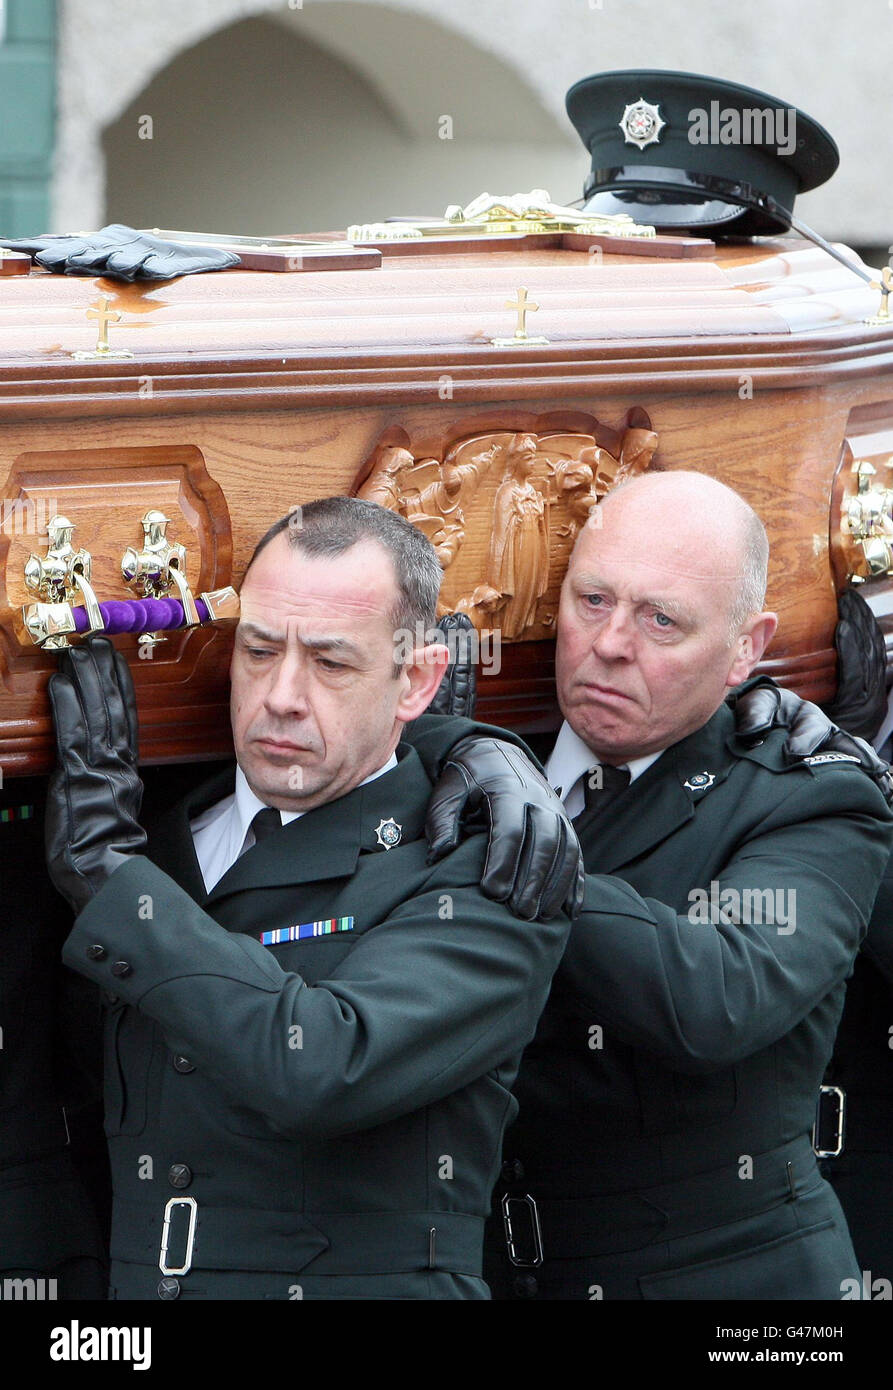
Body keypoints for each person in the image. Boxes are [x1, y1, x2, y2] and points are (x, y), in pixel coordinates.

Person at [45, 497, 573, 1300]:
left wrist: (115, 883)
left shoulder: (487, 866)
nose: (281, 695)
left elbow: (325, 1065)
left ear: (418, 678)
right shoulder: (163, 828)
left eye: (330, 663)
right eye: (258, 650)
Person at [431, 468, 893, 1300]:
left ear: (746, 648)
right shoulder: (477, 761)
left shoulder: (808, 794)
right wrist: (420, 761)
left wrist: (516, 833)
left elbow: (720, 998)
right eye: (591, 600)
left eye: (661, 619)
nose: (610, 644)